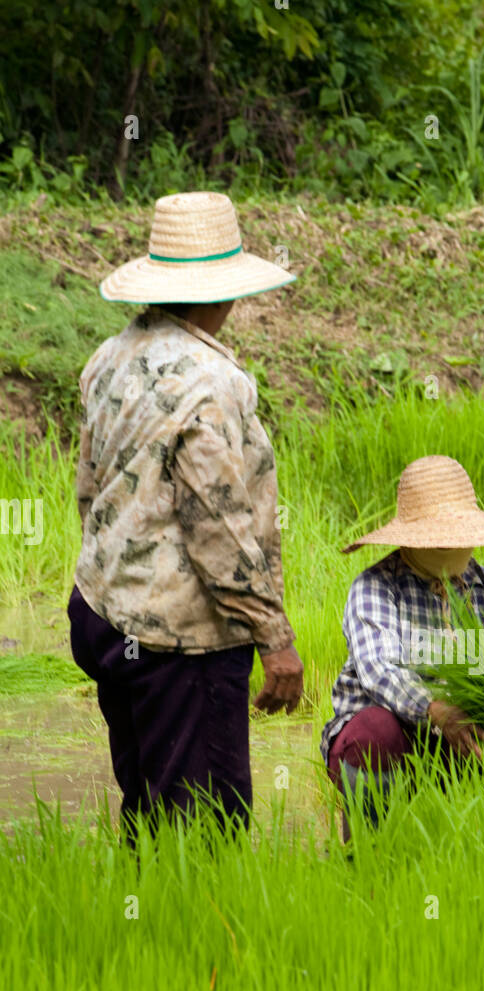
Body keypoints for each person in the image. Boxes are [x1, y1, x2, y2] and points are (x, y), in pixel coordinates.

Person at [68, 191, 304, 839]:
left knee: (147, 802)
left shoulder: (109, 358)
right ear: (224, 293)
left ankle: (146, 927)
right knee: (204, 828)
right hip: (181, 641)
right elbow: (219, 525)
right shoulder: (211, 382)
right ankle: (194, 931)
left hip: (104, 616)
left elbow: (89, 492)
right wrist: (273, 637)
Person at [321, 454, 484, 836]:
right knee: (375, 731)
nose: (448, 544)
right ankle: (367, 847)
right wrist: (434, 710)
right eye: (436, 537)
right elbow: (377, 667)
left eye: (455, 535)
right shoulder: (377, 586)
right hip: (397, 737)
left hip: (464, 740)